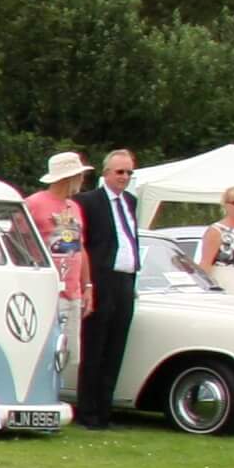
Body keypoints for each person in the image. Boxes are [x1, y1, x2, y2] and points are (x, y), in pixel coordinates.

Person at [77, 148, 146, 429]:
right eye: (120, 172)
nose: (124, 177)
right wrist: (88, 283)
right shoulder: (88, 201)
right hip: (101, 278)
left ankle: (105, 409)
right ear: (106, 173)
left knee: (116, 345)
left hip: (125, 279)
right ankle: (88, 410)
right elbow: (84, 244)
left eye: (129, 172)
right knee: (95, 344)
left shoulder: (130, 201)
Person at [24, 151, 92, 398]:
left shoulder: (74, 207)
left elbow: (80, 247)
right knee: (45, 346)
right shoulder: (34, 203)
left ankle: (54, 395)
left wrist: (88, 286)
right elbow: (18, 239)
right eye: (79, 176)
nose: (81, 181)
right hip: (47, 287)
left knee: (66, 350)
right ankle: (36, 395)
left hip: (71, 288)